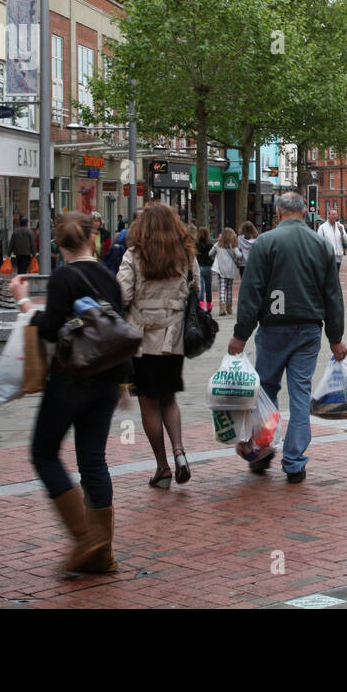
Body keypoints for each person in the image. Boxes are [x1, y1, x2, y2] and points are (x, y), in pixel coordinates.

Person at [10, 211, 129, 575]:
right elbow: (120, 330)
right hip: (107, 380)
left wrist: (24, 303)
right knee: (93, 459)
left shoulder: (64, 278)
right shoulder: (109, 278)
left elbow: (48, 330)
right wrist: (125, 383)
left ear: (59, 244)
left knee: (43, 452)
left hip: (71, 380)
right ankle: (103, 552)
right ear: (92, 240)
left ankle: (84, 537)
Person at [229, 190, 347, 482]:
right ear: (305, 213)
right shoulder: (320, 245)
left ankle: (262, 450)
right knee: (300, 395)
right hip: (308, 329)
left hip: (273, 328)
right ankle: (295, 462)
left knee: (266, 391)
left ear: (278, 214)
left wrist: (241, 334)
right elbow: (332, 296)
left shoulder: (265, 242)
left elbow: (251, 292)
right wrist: (336, 337)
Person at [118, 203, 196, 489]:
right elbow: (195, 286)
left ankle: (162, 466)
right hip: (173, 339)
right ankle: (180, 452)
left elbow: (122, 293)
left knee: (148, 402)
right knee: (169, 397)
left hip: (142, 340)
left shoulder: (134, 255)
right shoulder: (185, 253)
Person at [213, 227, 243, 316]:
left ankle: (222, 307)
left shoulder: (218, 244)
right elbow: (239, 255)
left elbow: (210, 253)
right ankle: (229, 308)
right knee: (229, 288)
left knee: (222, 288)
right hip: (230, 269)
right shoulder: (233, 246)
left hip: (221, 269)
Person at [195, 226, 215, 310]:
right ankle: (209, 305)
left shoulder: (196, 245)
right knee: (208, 287)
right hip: (208, 267)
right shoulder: (210, 244)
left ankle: (201, 305)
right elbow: (213, 255)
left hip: (199, 267)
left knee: (201, 288)